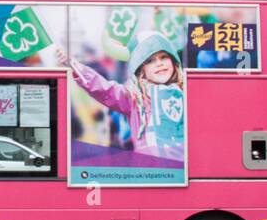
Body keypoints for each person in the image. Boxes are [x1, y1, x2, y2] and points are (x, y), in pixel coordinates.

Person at [56, 31, 184, 156]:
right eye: (150, 60)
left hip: (183, 172)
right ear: (141, 69)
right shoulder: (134, 99)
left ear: (173, 61)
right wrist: (76, 67)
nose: (159, 63)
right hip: (151, 172)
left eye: (164, 57)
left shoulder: (186, 94)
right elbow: (105, 89)